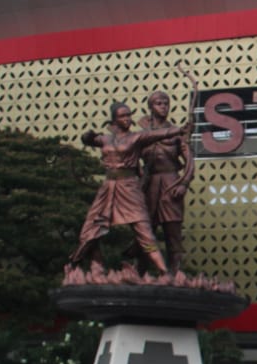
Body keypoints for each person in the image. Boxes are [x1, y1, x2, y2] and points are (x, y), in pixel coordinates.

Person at [69, 102, 190, 275]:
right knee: (91, 229)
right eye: (122, 116)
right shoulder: (105, 139)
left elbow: (158, 134)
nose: (127, 118)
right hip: (108, 188)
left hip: (129, 187)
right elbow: (88, 140)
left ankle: (164, 271)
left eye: (129, 115)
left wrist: (178, 130)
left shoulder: (136, 137)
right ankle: (92, 267)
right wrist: (87, 136)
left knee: (144, 231)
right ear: (114, 120)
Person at [135, 69, 197, 273]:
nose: (163, 107)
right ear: (151, 107)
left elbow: (190, 162)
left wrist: (184, 183)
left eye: (166, 103)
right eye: (159, 103)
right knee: (146, 232)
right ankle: (140, 272)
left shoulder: (177, 134)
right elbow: (132, 160)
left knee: (173, 234)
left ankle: (174, 273)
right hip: (149, 185)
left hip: (171, 183)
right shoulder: (142, 134)